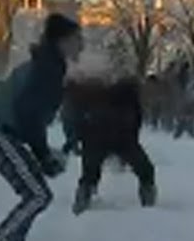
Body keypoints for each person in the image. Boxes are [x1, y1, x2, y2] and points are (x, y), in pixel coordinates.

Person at [0, 14, 82, 241]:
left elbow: (34, 118)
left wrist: (43, 154)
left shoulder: (50, 66)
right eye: (77, 39)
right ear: (61, 41)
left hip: (3, 131)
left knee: (37, 194)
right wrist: (43, 156)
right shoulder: (47, 70)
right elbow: (29, 116)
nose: (82, 45)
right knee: (37, 195)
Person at [66, 76, 156, 215]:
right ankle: (149, 203)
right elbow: (136, 119)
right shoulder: (126, 91)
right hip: (114, 136)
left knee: (90, 173)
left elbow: (74, 115)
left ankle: (83, 199)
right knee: (145, 169)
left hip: (99, 136)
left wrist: (76, 137)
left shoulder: (90, 86)